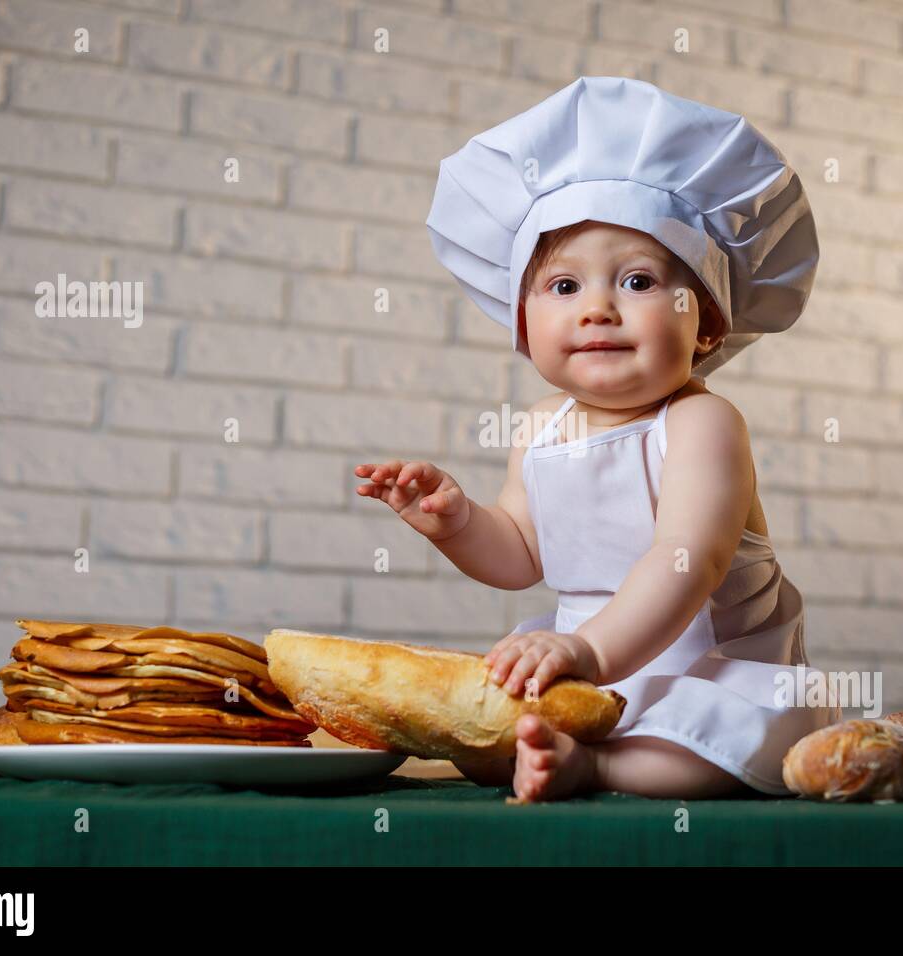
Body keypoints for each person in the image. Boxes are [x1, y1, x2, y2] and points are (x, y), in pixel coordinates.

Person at [357, 76, 839, 802]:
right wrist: (456, 524)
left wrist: (588, 649)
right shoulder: (540, 426)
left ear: (705, 321)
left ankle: (601, 768)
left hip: (704, 664)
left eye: (640, 281)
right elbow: (522, 554)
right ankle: (556, 750)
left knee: (708, 745)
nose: (599, 310)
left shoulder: (703, 423)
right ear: (522, 323)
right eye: (563, 288)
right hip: (578, 659)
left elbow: (690, 562)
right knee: (478, 745)